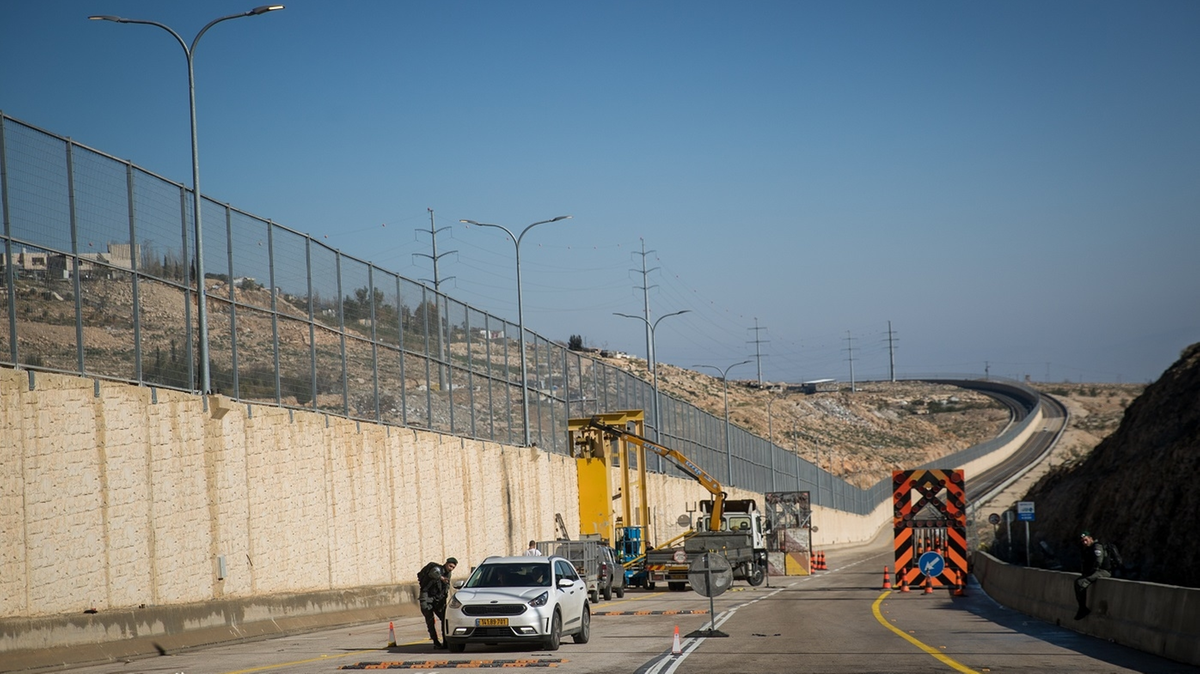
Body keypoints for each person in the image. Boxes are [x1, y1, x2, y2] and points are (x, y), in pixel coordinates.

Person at [418, 557, 457, 648]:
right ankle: (435, 641)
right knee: (430, 620)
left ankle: (446, 641)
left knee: (444, 619)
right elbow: (433, 574)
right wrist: (441, 578)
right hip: (426, 596)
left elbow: (446, 587)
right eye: (450, 566)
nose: (451, 568)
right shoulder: (437, 569)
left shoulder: (448, 573)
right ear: (446, 563)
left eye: (453, 567)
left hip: (438, 598)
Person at [1074, 531, 1109, 620]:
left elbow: (1098, 561)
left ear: (1090, 538)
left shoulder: (1096, 546)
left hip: (1103, 571)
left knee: (1080, 582)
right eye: (1083, 541)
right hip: (1095, 571)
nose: (1085, 543)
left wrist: (1092, 571)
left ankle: (1083, 608)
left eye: (1086, 540)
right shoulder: (1087, 548)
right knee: (1078, 581)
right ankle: (1082, 608)